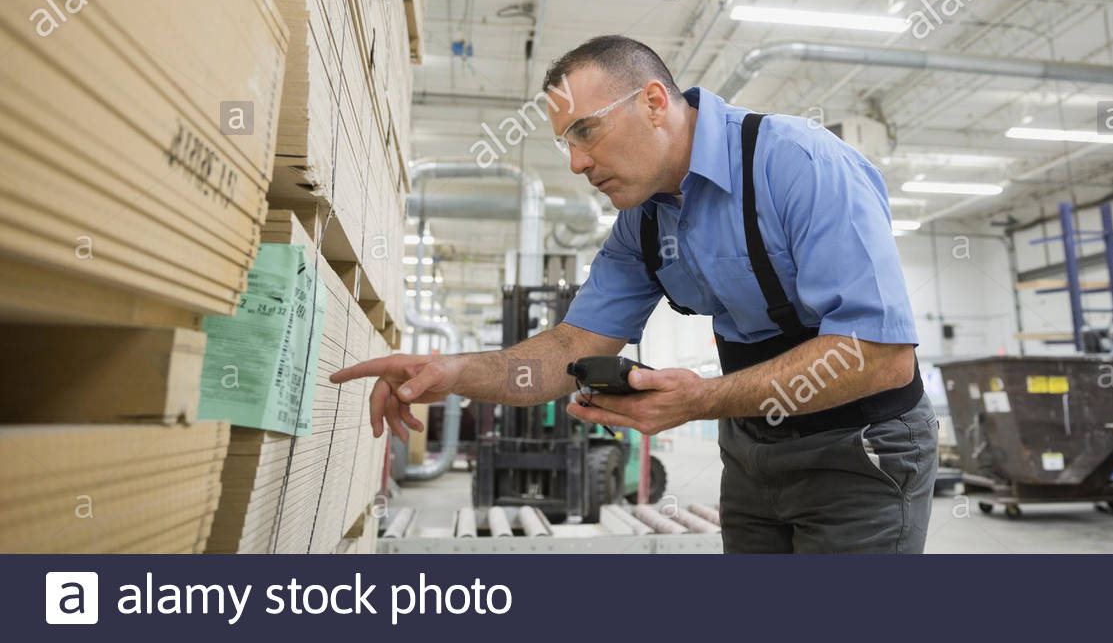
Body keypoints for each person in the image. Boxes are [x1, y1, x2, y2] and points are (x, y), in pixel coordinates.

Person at [330, 35, 938, 553]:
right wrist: (450, 370)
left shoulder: (799, 164)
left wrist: (700, 400)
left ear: (652, 103)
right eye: (565, 141)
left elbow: (880, 354)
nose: (576, 163)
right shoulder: (644, 222)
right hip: (754, 448)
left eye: (586, 131)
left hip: (863, 450)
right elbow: (568, 347)